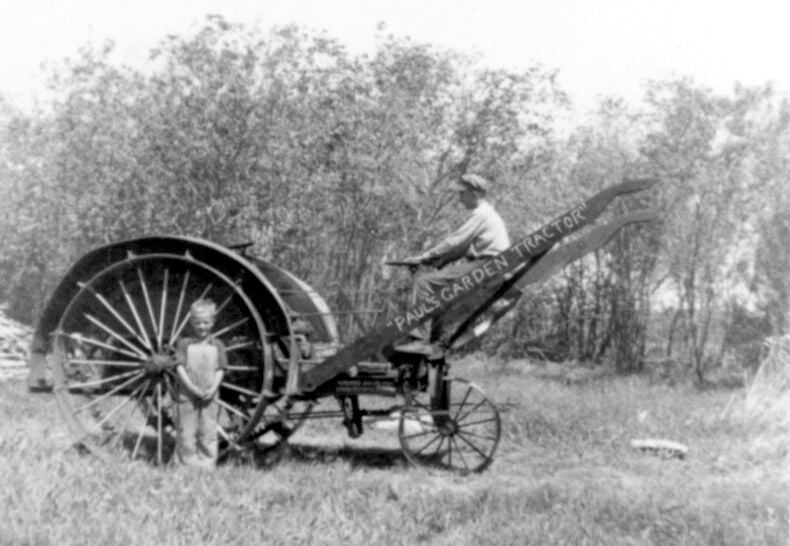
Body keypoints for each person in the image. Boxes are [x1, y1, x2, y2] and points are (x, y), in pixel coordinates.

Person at [403, 173, 510, 346]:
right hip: (491, 266)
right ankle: (435, 340)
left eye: (462, 193)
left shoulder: (481, 214)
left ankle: (417, 338)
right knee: (440, 294)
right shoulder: (486, 214)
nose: (459, 198)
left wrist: (425, 256)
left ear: (475, 193)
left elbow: (455, 240)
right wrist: (439, 261)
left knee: (423, 284)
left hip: (487, 265)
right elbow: (463, 247)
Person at [173, 298, 227, 468]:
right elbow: (180, 367)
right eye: (198, 323)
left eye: (206, 322)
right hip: (187, 393)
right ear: (191, 323)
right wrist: (191, 387)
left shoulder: (217, 345)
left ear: (212, 323)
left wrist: (213, 389)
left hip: (210, 393)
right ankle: (186, 465)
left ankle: (206, 465)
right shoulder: (184, 344)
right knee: (186, 431)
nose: (202, 327)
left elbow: (221, 369)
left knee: (208, 431)